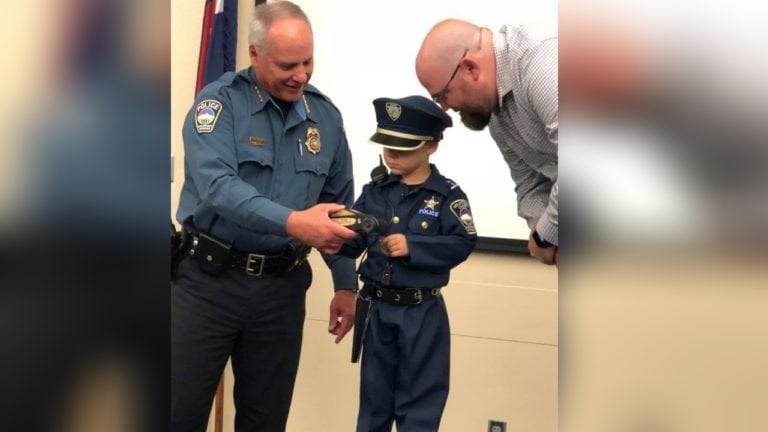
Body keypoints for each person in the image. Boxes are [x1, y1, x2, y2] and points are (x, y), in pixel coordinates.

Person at [171, 2, 359, 431]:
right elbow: (219, 189)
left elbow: (338, 207)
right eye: (288, 64)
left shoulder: (325, 118)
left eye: (308, 61)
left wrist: (346, 284)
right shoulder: (218, 106)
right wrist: (295, 223)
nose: (302, 74)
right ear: (254, 54)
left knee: (265, 421)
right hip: (208, 285)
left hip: (281, 291)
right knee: (177, 413)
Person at [337, 95, 478, 432]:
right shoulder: (375, 192)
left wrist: (413, 245)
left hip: (420, 313)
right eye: (387, 146)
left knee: (419, 408)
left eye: (403, 147)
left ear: (430, 147)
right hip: (377, 310)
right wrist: (331, 227)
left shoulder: (447, 195)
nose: (392, 155)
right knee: (373, 404)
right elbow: (351, 238)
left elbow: (463, 241)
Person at [415, 19, 558, 265]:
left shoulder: (541, 63)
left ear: (470, 68)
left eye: (442, 95)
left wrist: (546, 238)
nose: (445, 108)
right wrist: (542, 233)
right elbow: (529, 184)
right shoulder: (496, 112)